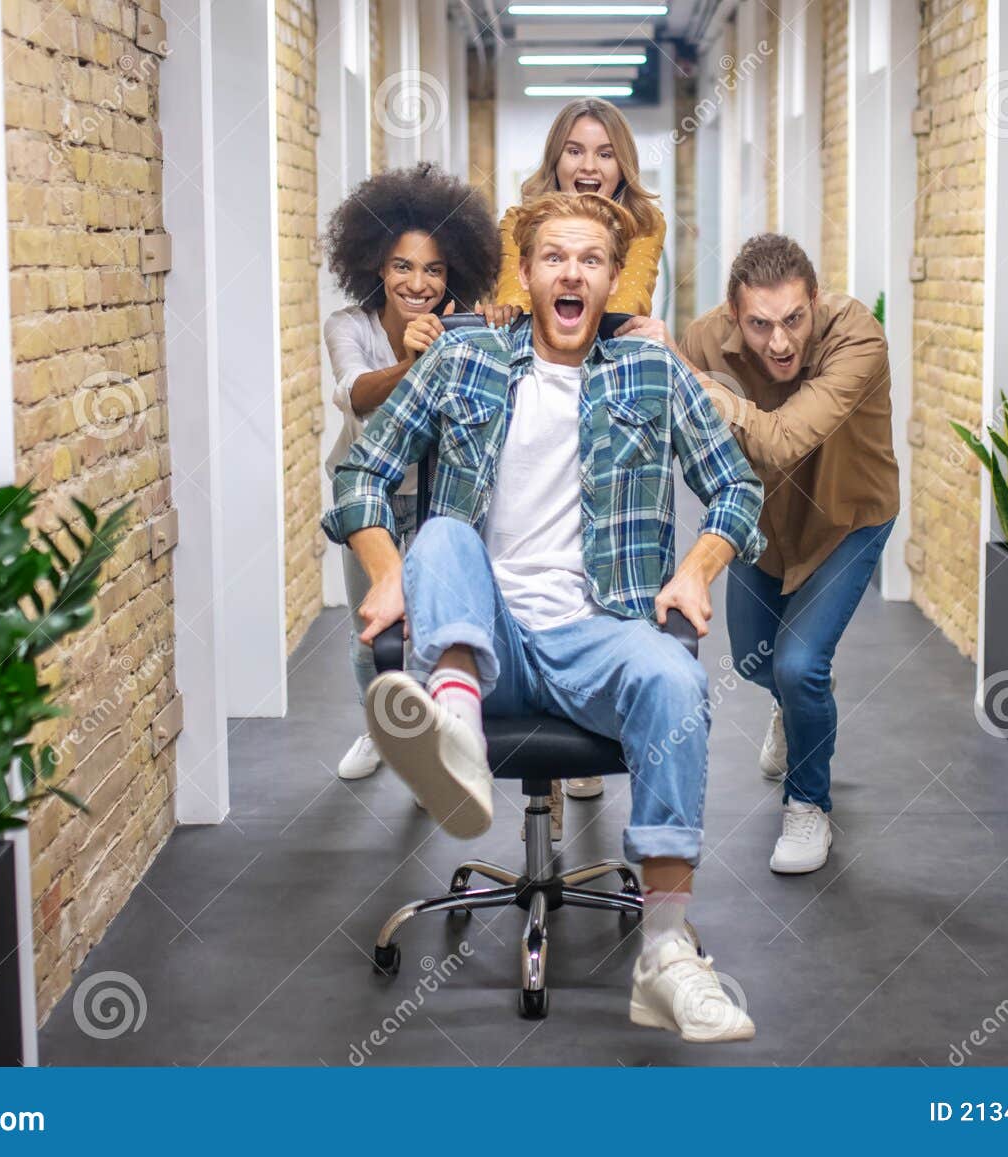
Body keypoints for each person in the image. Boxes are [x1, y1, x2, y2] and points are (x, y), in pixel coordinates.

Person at [322, 192, 764, 1042]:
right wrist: (385, 571)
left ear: (610, 278)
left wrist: (700, 570)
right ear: (524, 274)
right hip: (486, 633)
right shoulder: (462, 359)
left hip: (603, 630)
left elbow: (739, 488)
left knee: (675, 674)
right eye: (554, 257)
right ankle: (452, 721)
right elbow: (361, 476)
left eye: (590, 260)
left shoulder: (653, 369)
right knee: (443, 532)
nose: (571, 273)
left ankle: (667, 958)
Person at [679, 234, 899, 875]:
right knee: (757, 663)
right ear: (732, 314)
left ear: (815, 300)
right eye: (759, 324)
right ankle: (794, 703)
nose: (779, 342)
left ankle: (808, 807)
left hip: (848, 519)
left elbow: (780, 442)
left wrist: (696, 387)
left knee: (800, 663)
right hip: (763, 521)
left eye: (793, 320)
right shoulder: (704, 342)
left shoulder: (858, 337)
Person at [484, 97, 667, 809]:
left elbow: (626, 305)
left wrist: (600, 311)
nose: (589, 166)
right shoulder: (515, 222)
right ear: (555, 157)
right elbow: (512, 302)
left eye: (605, 153)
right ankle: (543, 798)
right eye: (576, 151)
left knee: (593, 552)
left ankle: (580, 720)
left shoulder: (643, 227)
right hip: (538, 392)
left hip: (606, 396)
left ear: (623, 162)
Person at [322, 163, 501, 783]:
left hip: (436, 494)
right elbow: (358, 395)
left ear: (455, 274)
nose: (417, 283)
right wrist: (413, 360)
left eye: (433, 269)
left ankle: (431, 746)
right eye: (402, 266)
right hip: (366, 493)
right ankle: (382, 731)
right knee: (371, 625)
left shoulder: (461, 328)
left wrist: (467, 339)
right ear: (376, 265)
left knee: (434, 621)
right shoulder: (350, 326)